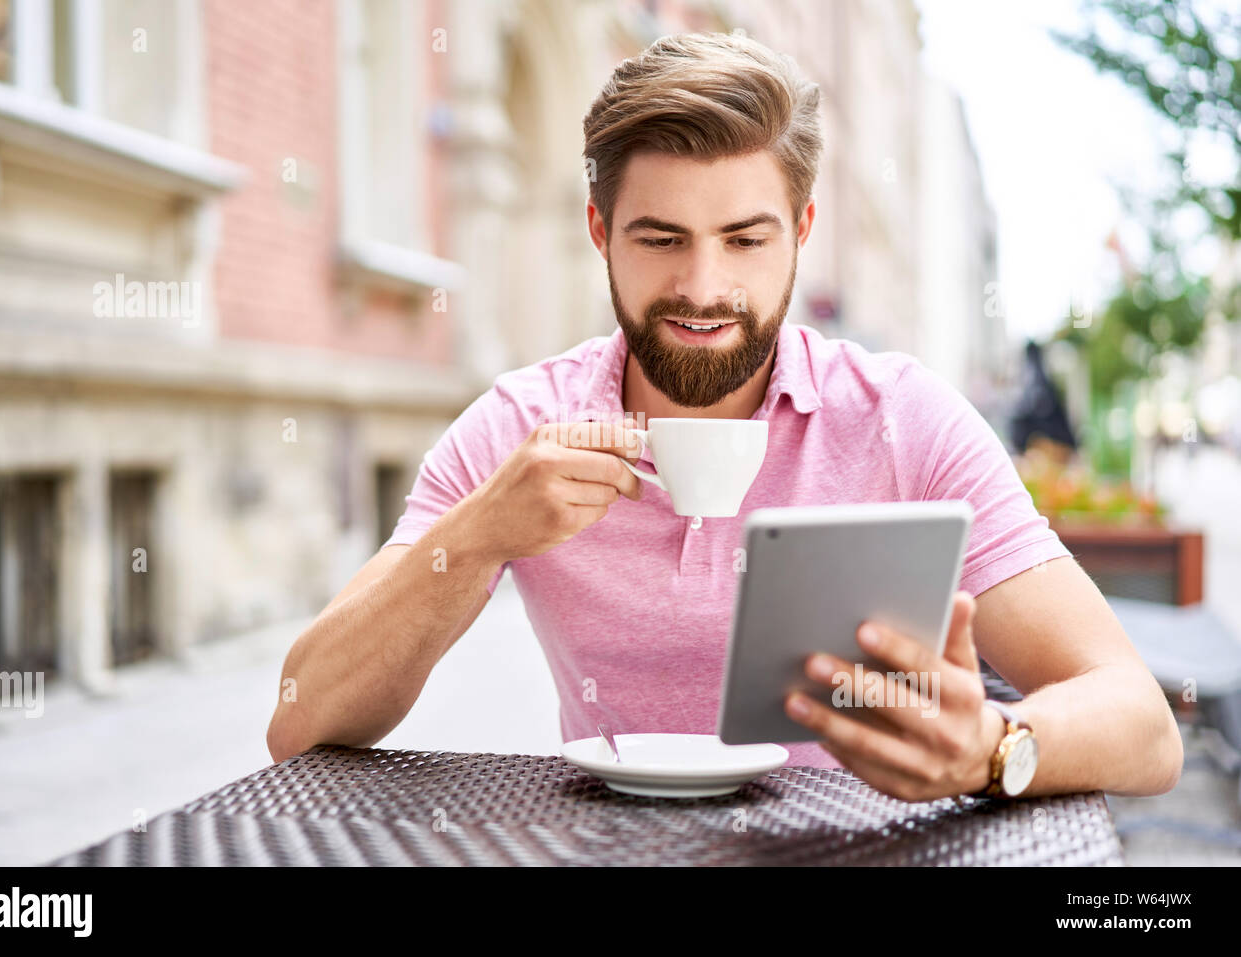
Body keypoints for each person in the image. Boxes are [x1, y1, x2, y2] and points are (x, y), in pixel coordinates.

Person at [267, 32, 1181, 801]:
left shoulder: (904, 420)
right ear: (599, 231)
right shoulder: (525, 427)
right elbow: (302, 716)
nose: (704, 289)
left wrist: (991, 746)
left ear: (803, 231)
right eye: (660, 239)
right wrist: (473, 538)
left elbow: (1142, 724)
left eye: (745, 240)